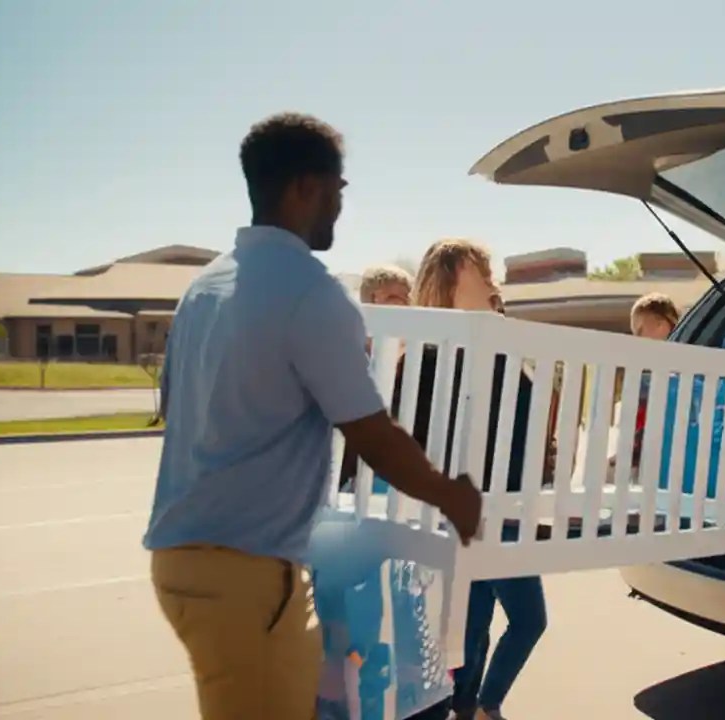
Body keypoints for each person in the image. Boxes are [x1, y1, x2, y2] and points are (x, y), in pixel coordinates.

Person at [142, 112, 483, 720]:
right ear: (305, 187)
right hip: (243, 574)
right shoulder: (311, 292)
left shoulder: (205, 287)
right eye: (337, 189)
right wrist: (447, 494)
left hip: (194, 562)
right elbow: (371, 433)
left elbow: (174, 407)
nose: (339, 205)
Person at [402, 239, 548, 720]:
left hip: (501, 509)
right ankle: (471, 708)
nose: (491, 275)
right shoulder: (423, 360)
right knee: (466, 629)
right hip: (451, 516)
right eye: (476, 269)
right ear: (443, 285)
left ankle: (473, 709)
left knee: (476, 626)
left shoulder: (502, 354)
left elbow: (527, 434)